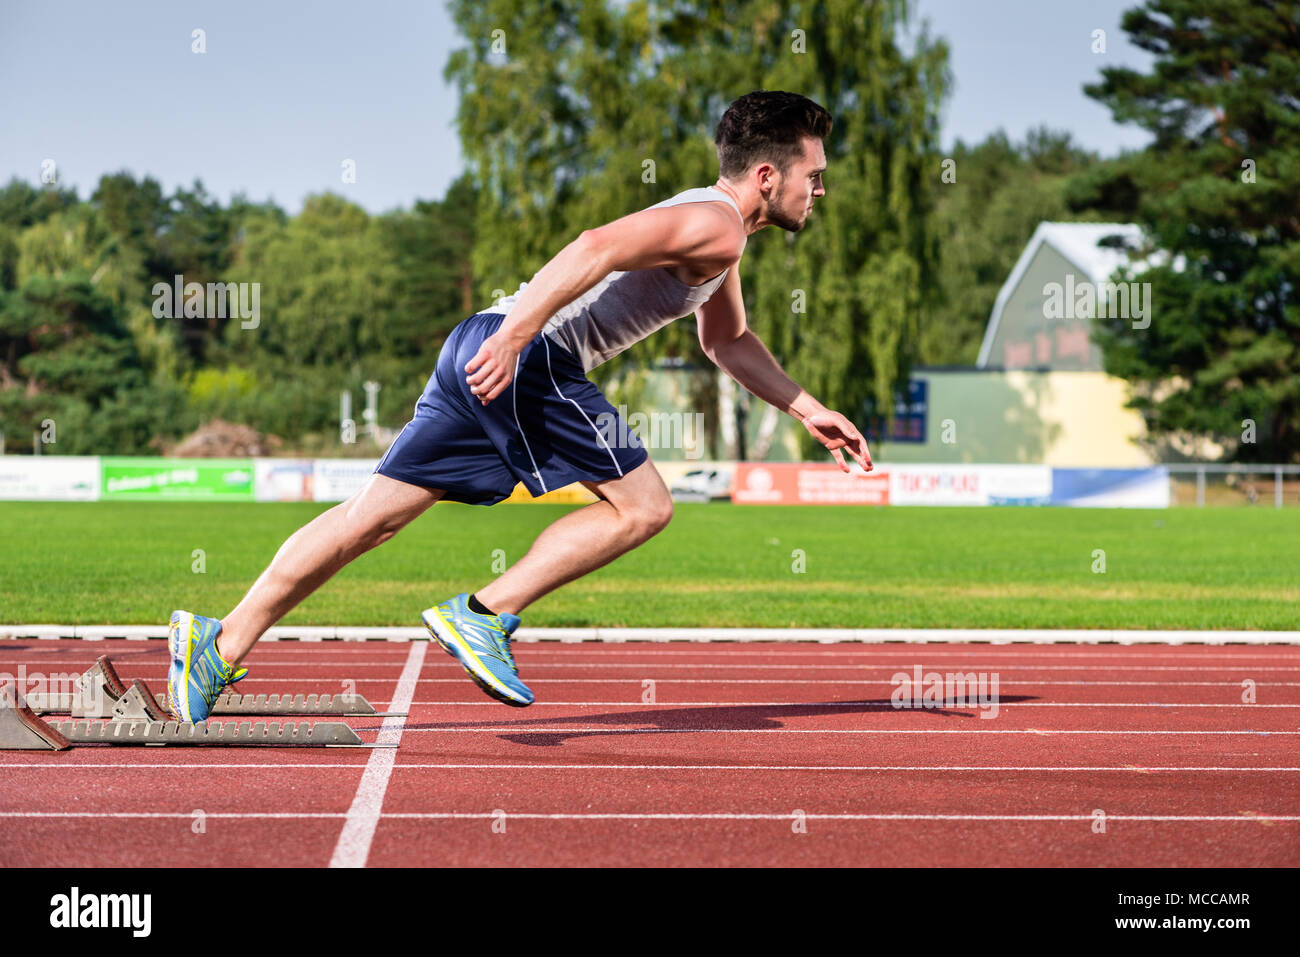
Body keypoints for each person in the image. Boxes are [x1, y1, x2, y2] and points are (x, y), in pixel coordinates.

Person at [164, 89, 873, 722]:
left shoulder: (723, 240)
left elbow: (729, 340)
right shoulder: (714, 224)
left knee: (369, 520)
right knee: (646, 506)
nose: (821, 192)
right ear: (767, 175)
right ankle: (484, 613)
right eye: (815, 176)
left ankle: (217, 643)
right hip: (526, 355)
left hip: (483, 342)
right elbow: (594, 245)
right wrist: (515, 339)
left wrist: (806, 407)